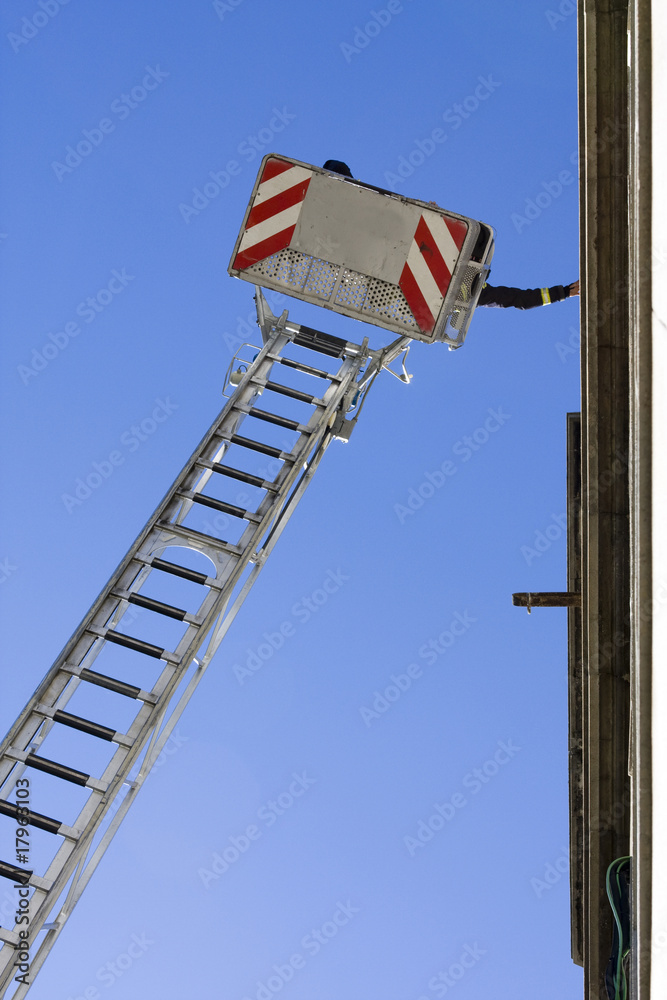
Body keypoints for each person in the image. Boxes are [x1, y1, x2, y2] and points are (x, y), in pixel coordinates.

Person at [322, 160, 579, 311]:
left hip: (388, 271)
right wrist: (431, 215)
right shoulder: (445, 259)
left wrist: (562, 293)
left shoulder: (465, 288)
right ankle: (339, 186)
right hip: (387, 253)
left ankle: (339, 188)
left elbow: (516, 299)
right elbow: (516, 300)